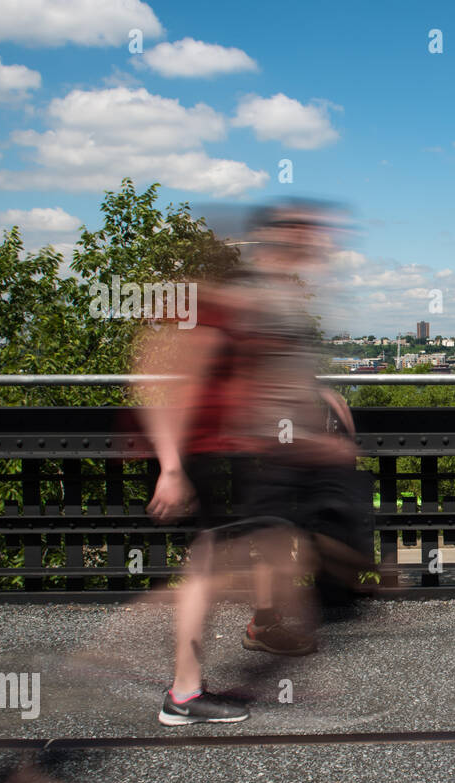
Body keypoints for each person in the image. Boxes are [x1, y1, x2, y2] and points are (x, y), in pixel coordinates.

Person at [138, 200, 361, 726]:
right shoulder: (234, 296)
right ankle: (182, 692)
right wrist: (172, 466)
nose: (317, 241)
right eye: (303, 230)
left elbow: (270, 365)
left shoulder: (274, 290)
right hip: (233, 451)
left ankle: (257, 632)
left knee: (263, 548)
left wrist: (318, 394)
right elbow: (171, 378)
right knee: (214, 566)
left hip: (261, 451)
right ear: (274, 236)